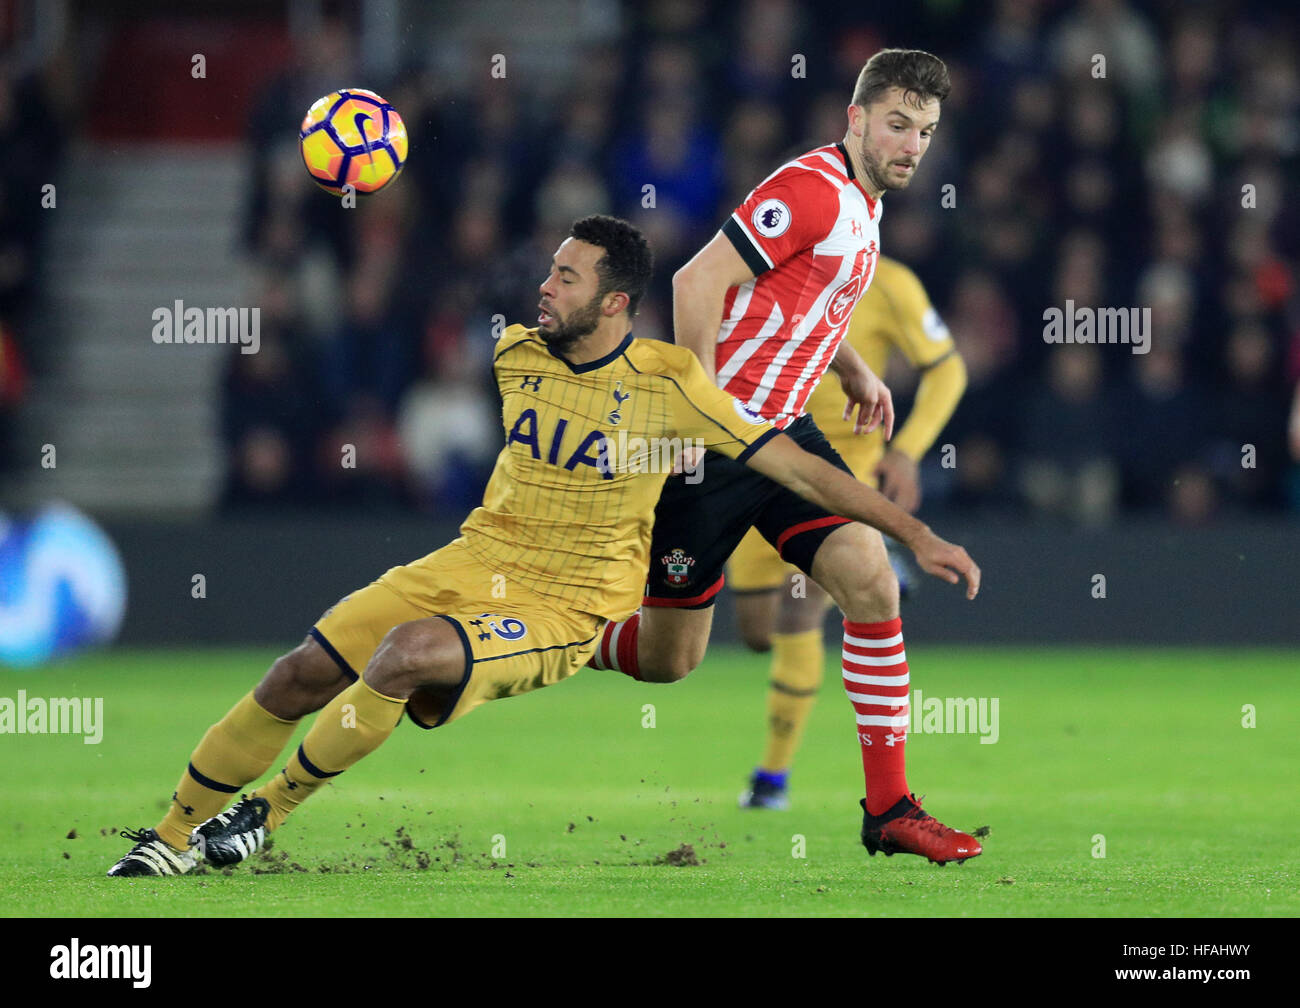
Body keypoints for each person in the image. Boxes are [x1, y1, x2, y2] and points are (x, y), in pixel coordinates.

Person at [107, 215, 978, 877]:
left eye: (565, 277)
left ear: (614, 304)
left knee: (404, 657)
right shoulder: (516, 354)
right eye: (549, 272)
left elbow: (799, 463)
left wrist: (911, 529)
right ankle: (172, 837)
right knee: (299, 671)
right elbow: (430, 291)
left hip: (567, 604)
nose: (544, 288)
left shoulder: (676, 390)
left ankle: (266, 813)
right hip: (463, 562)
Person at [584, 49, 982, 864]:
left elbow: (802, 299)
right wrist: (701, 412)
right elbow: (698, 283)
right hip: (718, 439)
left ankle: (890, 808)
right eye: (898, 125)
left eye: (926, 132)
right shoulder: (810, 189)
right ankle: (548, 637)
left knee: (870, 579)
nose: (912, 145)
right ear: (856, 119)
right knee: (671, 660)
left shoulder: (864, 208)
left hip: (783, 433)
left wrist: (855, 366)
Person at [728, 255, 967, 810]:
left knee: (799, 614)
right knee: (756, 634)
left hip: (841, 473)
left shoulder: (890, 283)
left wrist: (906, 450)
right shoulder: (753, 270)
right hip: (756, 466)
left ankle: (771, 778)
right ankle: (880, 565)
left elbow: (948, 368)